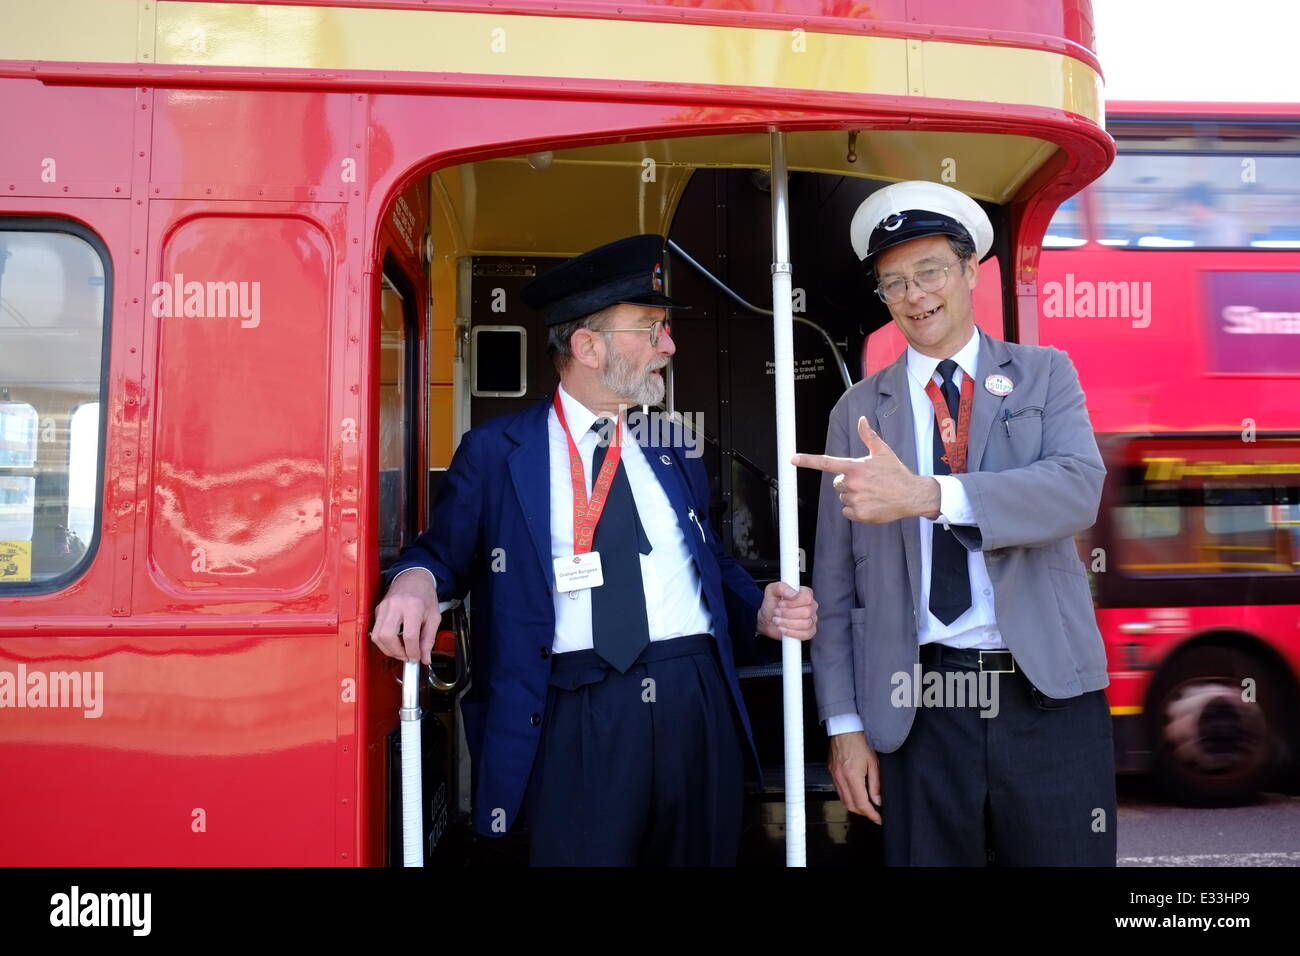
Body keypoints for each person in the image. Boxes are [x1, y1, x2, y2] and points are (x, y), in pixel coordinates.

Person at [371, 234, 817, 866]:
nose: (670, 345)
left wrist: (760, 609)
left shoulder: (674, 448)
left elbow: (708, 563)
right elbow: (440, 554)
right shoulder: (498, 453)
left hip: (694, 697)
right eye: (651, 329)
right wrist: (413, 579)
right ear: (586, 347)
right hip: (575, 707)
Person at [793, 182, 1116, 866]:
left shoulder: (1044, 375)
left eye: (931, 271)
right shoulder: (856, 409)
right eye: (894, 283)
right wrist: (845, 725)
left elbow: (1076, 490)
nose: (915, 296)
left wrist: (930, 495)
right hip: (918, 705)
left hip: (1047, 697)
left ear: (971, 271)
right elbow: (835, 584)